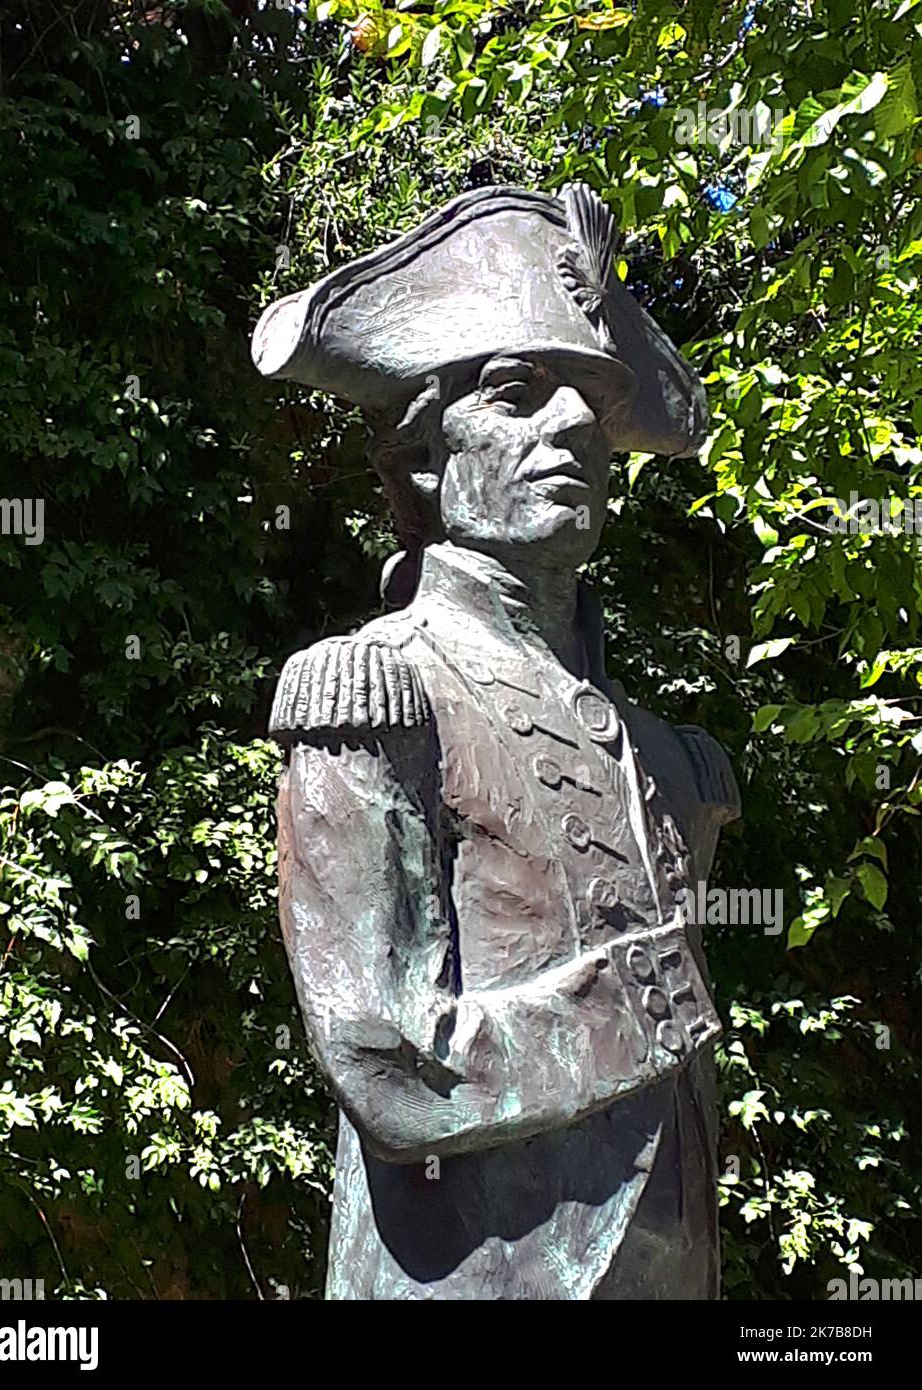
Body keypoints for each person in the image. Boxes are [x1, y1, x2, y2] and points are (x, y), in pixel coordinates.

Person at [254, 185, 740, 1300]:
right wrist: (639, 1000)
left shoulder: (676, 762)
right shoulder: (378, 697)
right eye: (517, 394)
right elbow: (385, 1057)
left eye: (594, 402)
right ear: (424, 457)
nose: (573, 424)